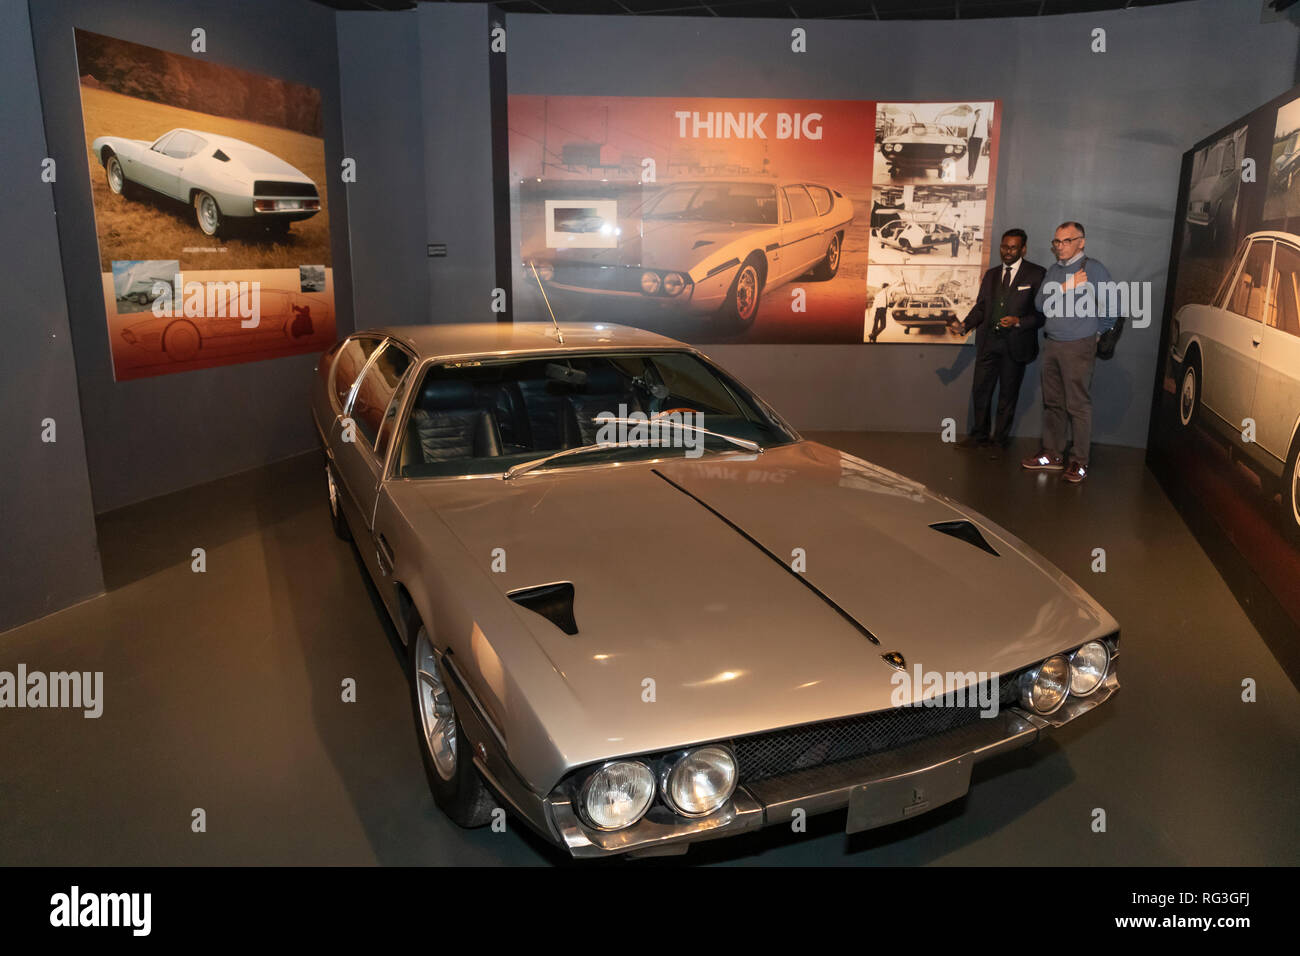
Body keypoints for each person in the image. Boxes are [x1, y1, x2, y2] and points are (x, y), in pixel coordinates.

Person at [1021, 221, 1116, 483]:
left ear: (1081, 242)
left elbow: (1113, 304)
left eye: (1066, 241)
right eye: (1057, 242)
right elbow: (1040, 304)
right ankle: (1052, 454)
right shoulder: (1054, 270)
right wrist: (1067, 287)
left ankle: (1079, 462)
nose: (1060, 246)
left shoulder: (1093, 268)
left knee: (1078, 405)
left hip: (1078, 345)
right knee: (1053, 403)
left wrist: (1097, 333)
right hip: (1052, 342)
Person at [953, 229, 1046, 456]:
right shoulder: (992, 274)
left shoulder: (1037, 274)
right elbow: (982, 307)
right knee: (981, 391)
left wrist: (1018, 321)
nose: (1007, 252)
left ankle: (999, 441)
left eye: (1013, 247)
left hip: (1015, 345)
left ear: (1023, 249)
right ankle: (979, 436)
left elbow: (1042, 314)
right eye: (1004, 247)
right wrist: (965, 325)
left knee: (1007, 395)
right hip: (989, 342)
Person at [967, 108, 987, 180]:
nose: (979, 115)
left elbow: (985, 135)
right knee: (970, 157)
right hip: (972, 140)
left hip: (979, 140)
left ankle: (972, 173)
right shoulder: (972, 122)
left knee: (975, 158)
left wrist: (982, 144)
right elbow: (968, 132)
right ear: (975, 115)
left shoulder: (983, 124)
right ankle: (969, 174)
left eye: (981, 114)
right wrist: (968, 140)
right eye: (978, 114)